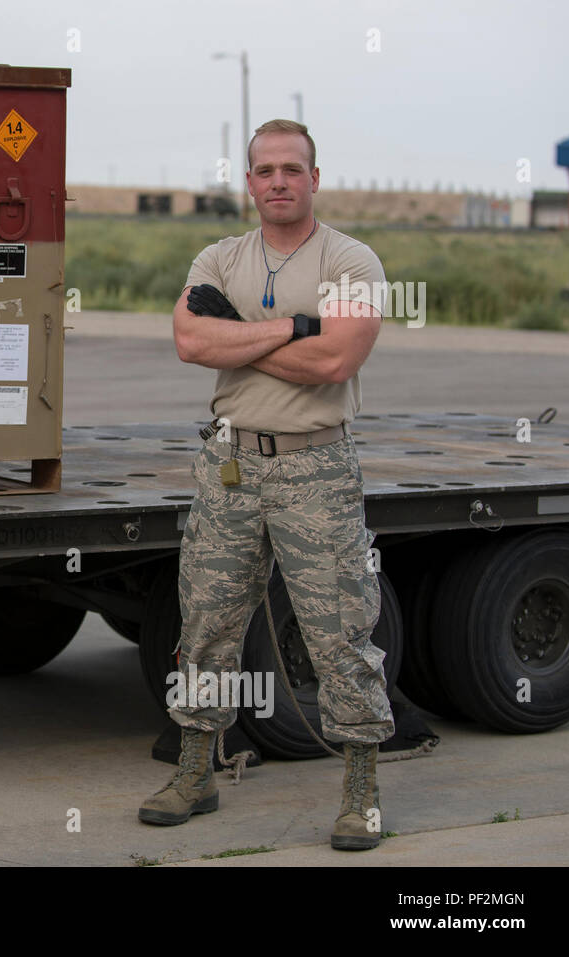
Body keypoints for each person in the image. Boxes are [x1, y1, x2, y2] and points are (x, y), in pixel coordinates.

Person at [137, 119, 395, 851]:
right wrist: (294, 327)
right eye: (263, 169)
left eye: (292, 168)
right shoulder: (220, 255)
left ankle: (361, 793)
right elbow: (190, 340)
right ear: (247, 180)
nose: (277, 180)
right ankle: (195, 772)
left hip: (316, 467)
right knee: (206, 626)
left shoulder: (350, 259)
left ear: (315, 177)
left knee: (339, 634)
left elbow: (334, 362)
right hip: (229, 466)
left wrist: (245, 333)